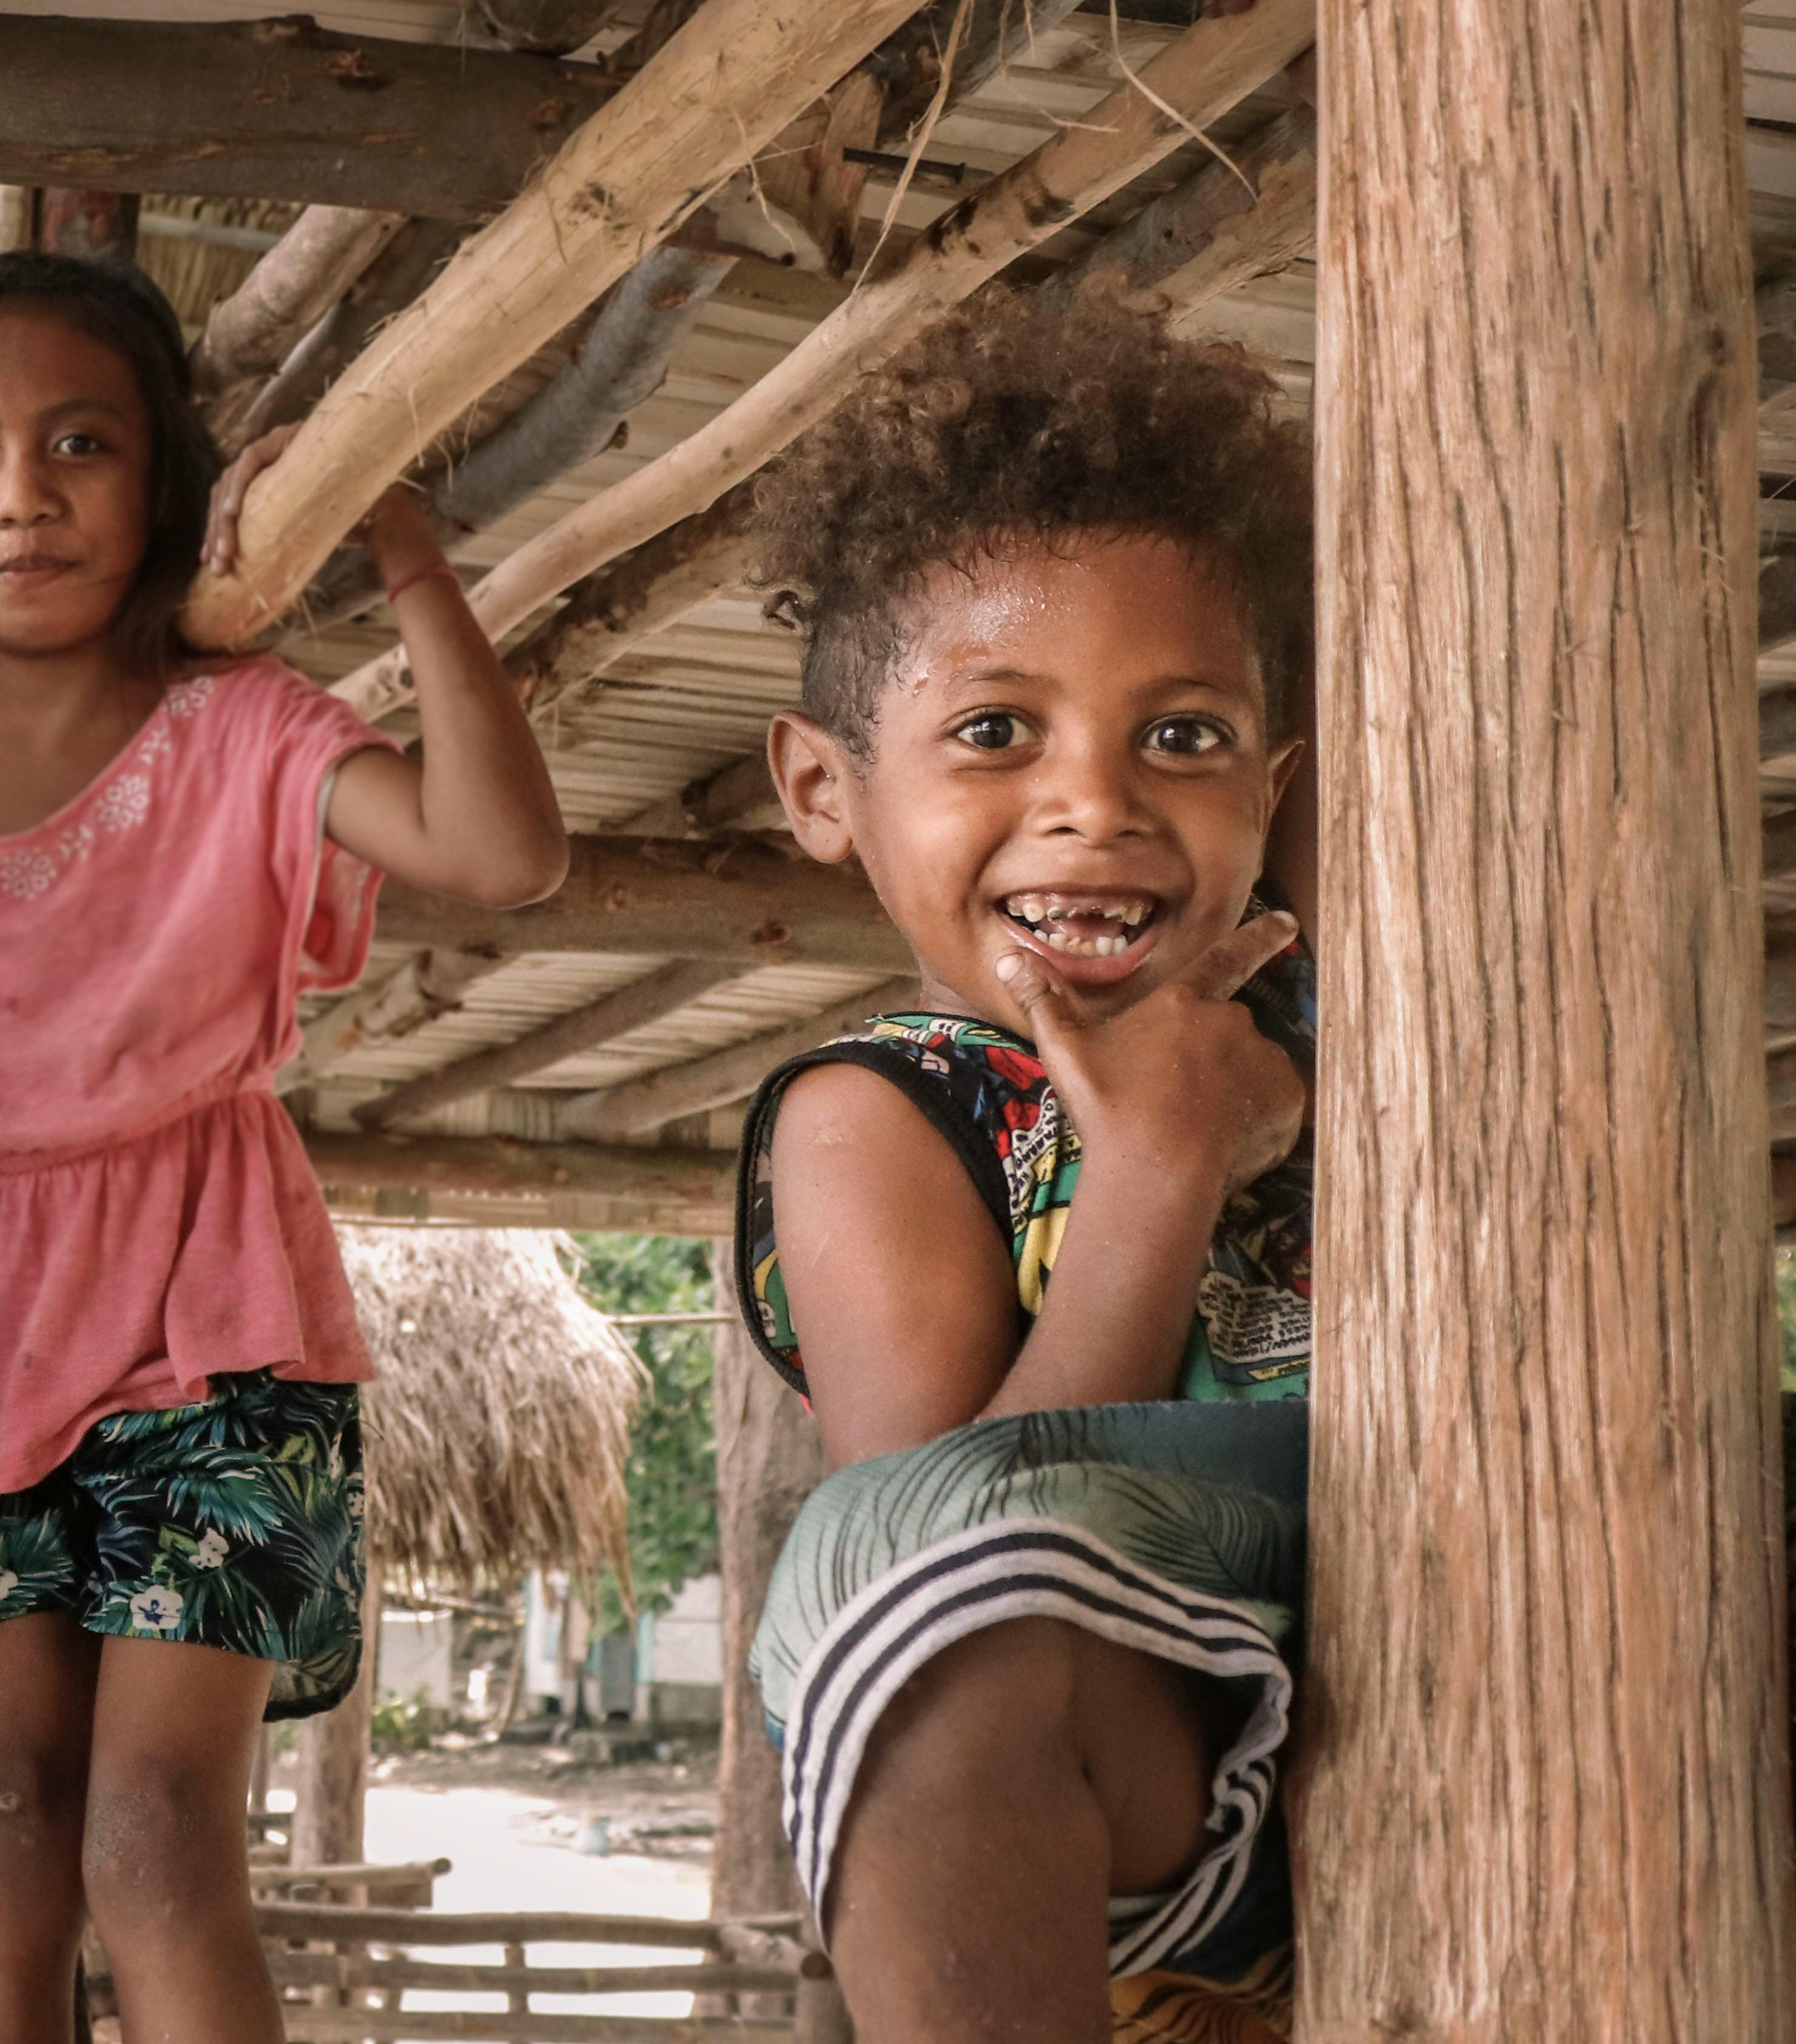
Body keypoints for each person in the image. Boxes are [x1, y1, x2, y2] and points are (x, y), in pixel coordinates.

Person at [0, 252, 570, 2044]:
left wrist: (405, 555)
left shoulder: (241, 727)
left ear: (166, 483)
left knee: (149, 1835)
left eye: (80, 445)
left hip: (221, 1323)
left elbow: (503, 853)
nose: (20, 496)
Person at [734, 292, 1315, 2044]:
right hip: (1148, 1796)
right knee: (899, 1568)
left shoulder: (1372, 1038)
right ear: (824, 788)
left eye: (1184, 737)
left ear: (1278, 788)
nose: (1098, 804)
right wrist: (1157, 1170)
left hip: (1499, 1663)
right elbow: (954, 1551)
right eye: (996, 732)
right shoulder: (881, 1116)